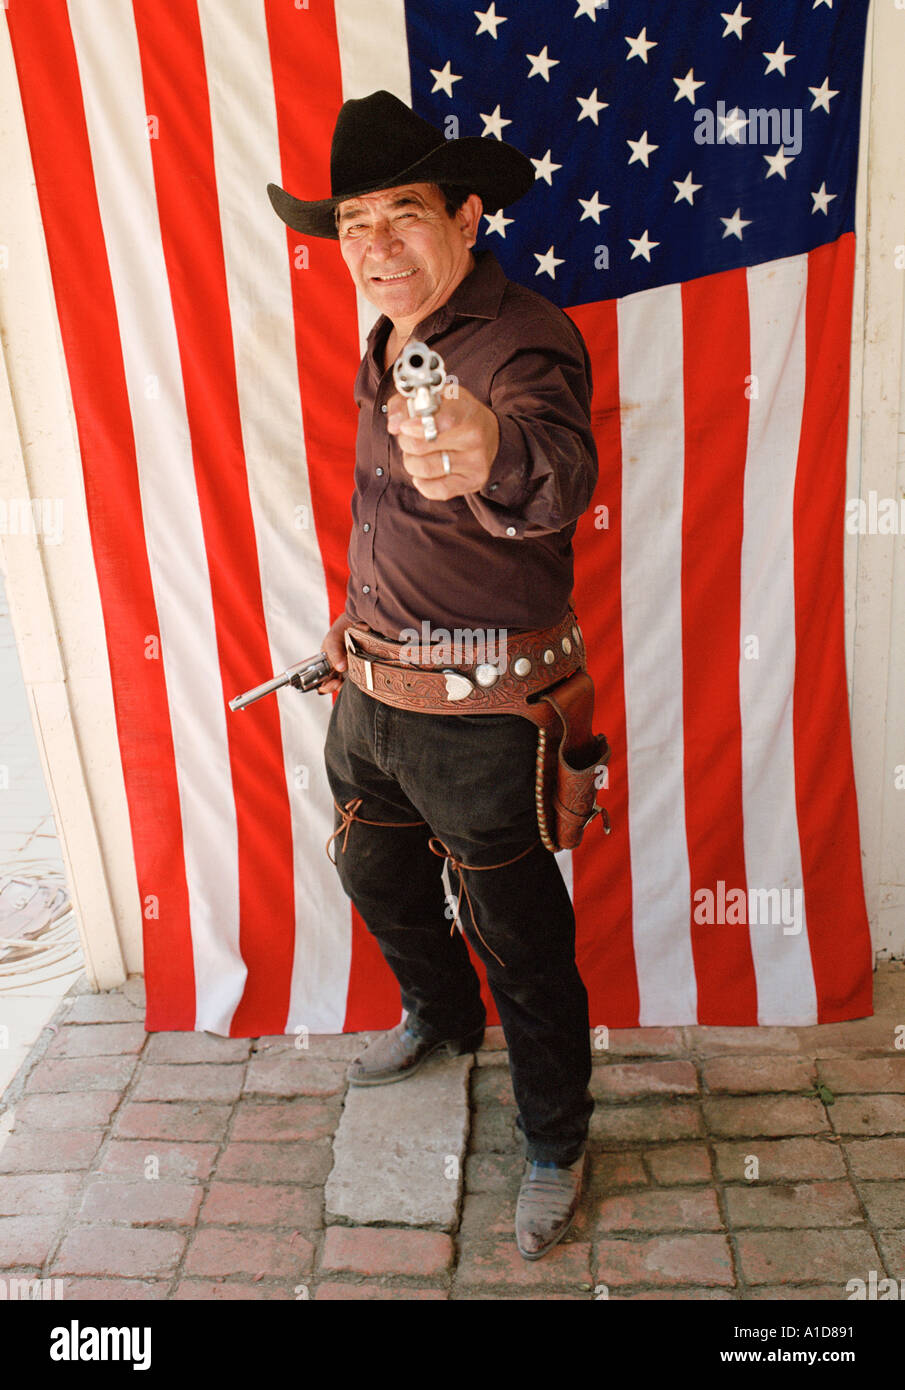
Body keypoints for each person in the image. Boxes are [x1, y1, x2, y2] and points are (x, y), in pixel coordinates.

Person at [267, 90, 601, 1260]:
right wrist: (352, 624)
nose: (375, 245)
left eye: (401, 214)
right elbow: (392, 516)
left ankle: (556, 1139)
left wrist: (488, 444)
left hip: (481, 715)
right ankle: (442, 1017)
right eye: (353, 223)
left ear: (464, 215)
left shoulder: (520, 338)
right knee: (371, 868)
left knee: (519, 935)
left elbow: (554, 469)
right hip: (369, 693)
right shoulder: (388, 333)